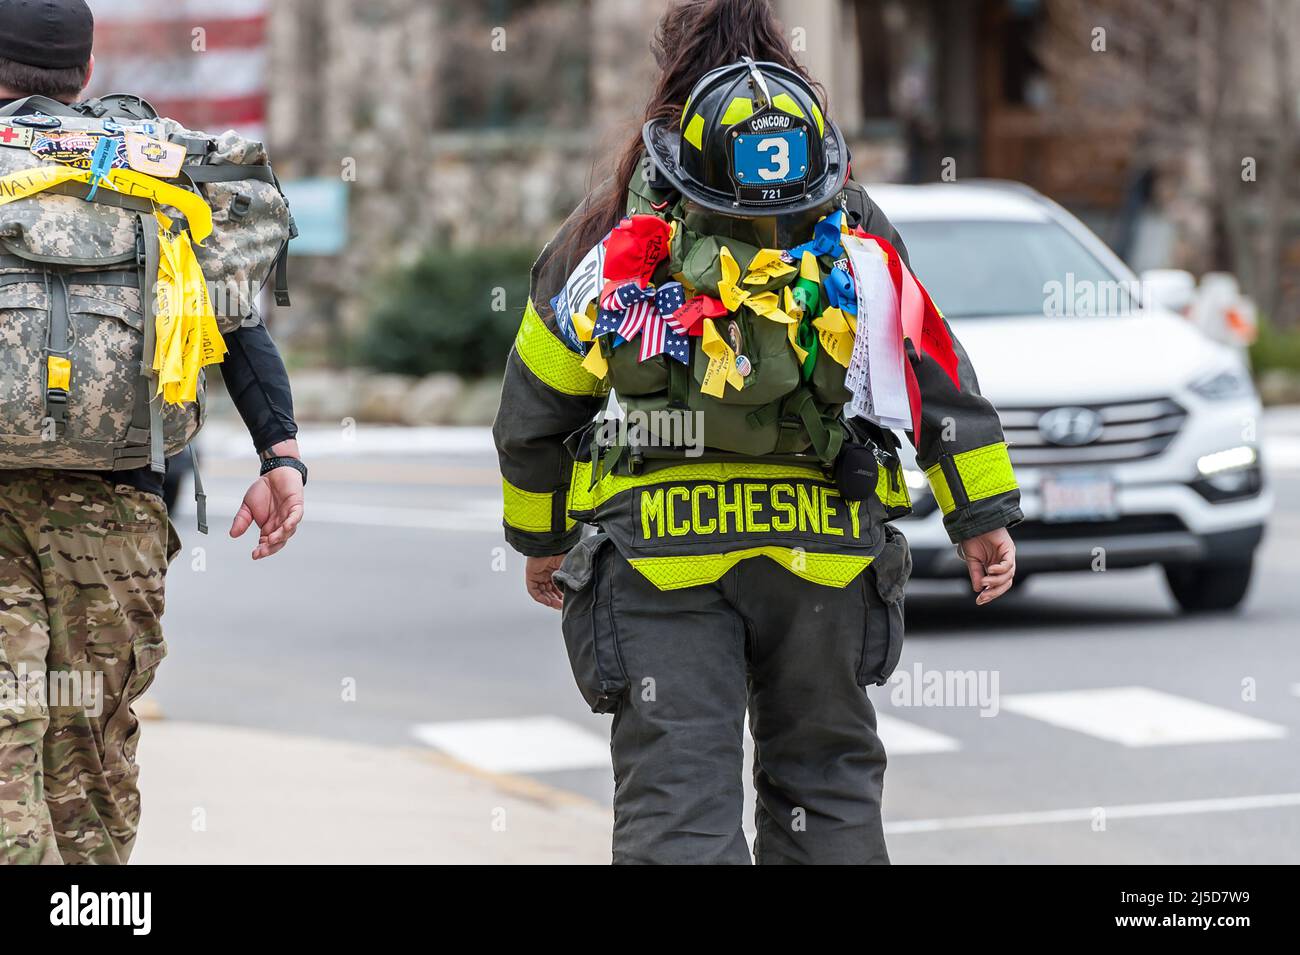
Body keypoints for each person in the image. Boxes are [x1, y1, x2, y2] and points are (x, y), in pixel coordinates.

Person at [494, 0, 1020, 864]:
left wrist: (542, 538)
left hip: (660, 566)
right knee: (828, 789)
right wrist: (982, 514)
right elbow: (932, 368)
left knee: (679, 810)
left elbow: (534, 406)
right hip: (825, 557)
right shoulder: (845, 220)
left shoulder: (612, 229)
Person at [0, 0, 306, 864]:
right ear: (85, 72)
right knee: (92, 762)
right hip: (119, 507)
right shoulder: (153, 166)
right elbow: (238, 317)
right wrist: (280, 454)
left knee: (4, 743)